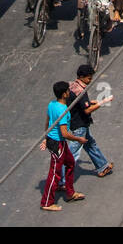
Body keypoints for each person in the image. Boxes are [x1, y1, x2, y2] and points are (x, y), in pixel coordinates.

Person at [41, 81, 87, 211]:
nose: (69, 92)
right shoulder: (63, 110)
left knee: (70, 163)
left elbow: (48, 122)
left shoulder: (52, 104)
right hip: (57, 144)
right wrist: (79, 139)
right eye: (68, 90)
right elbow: (64, 133)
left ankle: (70, 193)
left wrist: (45, 137)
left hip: (56, 141)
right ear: (64, 94)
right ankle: (47, 202)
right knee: (54, 173)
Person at [68, 66, 113, 178]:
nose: (90, 80)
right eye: (89, 78)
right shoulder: (81, 91)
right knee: (71, 154)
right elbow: (87, 110)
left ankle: (103, 166)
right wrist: (103, 102)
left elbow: (80, 103)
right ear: (81, 77)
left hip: (77, 122)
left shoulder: (72, 86)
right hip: (79, 125)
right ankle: (61, 179)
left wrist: (92, 102)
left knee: (90, 144)